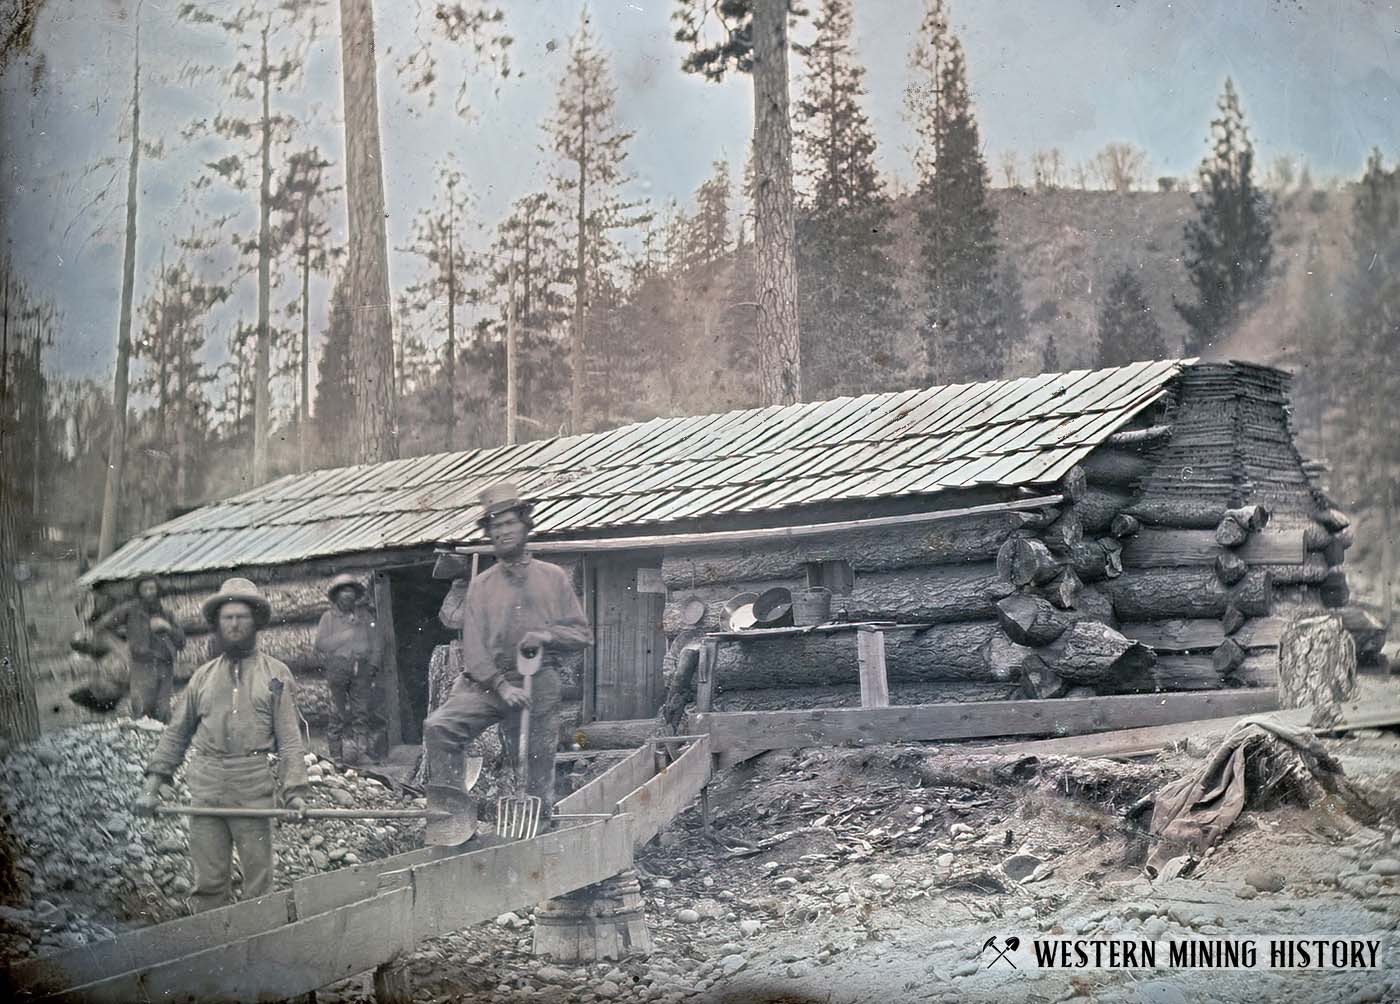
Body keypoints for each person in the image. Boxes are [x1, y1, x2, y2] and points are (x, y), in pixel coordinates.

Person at [133, 577, 309, 913]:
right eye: (227, 618)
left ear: (255, 622)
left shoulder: (276, 674)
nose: (234, 624)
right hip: (207, 787)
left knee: (258, 882)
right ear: (217, 624)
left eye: (241, 617)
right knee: (209, 883)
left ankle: (259, 948)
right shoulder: (203, 677)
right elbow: (176, 734)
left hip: (251, 786)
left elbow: (289, 739)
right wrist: (151, 787)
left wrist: (295, 792)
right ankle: (213, 948)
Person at [425, 482, 592, 827]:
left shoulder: (553, 578)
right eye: (495, 527)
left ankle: (540, 824)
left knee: (536, 760)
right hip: (487, 683)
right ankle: (453, 818)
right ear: (488, 534)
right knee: (439, 727)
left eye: (509, 524)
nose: (503, 532)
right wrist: (501, 687)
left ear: (525, 526)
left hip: (537, 678)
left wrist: (546, 635)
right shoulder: (482, 585)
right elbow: (473, 648)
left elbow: (581, 635)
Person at [96, 576, 186, 721]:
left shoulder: (166, 614)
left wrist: (167, 627)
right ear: (139, 592)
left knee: (163, 711)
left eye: (152, 589)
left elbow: (181, 642)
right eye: (145, 589)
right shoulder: (130, 611)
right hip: (141, 665)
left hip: (165, 666)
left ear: (158, 591)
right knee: (141, 709)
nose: (149, 592)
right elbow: (102, 628)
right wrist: (120, 648)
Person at [313, 573, 381, 764]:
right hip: (338, 669)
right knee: (338, 712)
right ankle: (336, 756)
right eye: (343, 592)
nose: (347, 596)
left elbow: (376, 642)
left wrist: (373, 664)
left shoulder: (365, 617)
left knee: (361, 711)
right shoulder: (328, 618)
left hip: (361, 669)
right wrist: (346, 635)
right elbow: (321, 644)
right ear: (337, 597)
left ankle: (362, 753)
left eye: (351, 592)